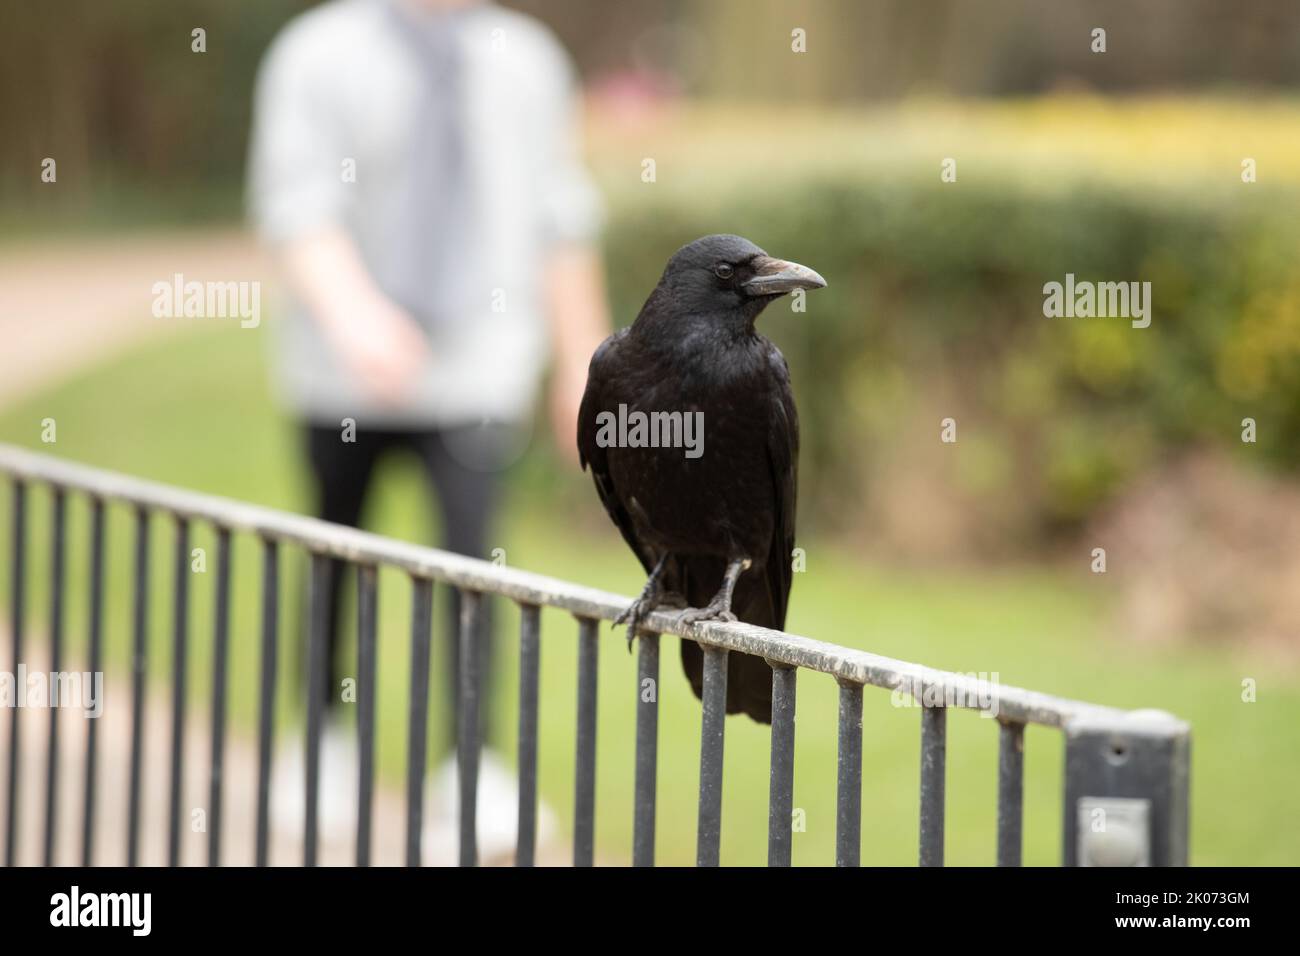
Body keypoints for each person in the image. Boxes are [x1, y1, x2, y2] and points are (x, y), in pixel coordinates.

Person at [247, 0, 609, 859]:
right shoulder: (317, 52)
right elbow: (294, 204)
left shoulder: (526, 59)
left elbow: (561, 218)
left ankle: (474, 763)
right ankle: (321, 741)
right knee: (334, 552)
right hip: (341, 372)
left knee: (472, 566)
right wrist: (355, 316)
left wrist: (584, 365)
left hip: (478, 368)